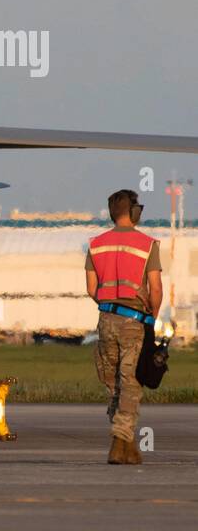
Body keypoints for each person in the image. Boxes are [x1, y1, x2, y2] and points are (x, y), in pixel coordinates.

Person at [85, 189, 163, 465]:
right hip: (134, 320)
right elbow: (156, 289)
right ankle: (119, 444)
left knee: (115, 384)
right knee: (131, 382)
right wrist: (151, 317)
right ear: (133, 212)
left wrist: (110, 304)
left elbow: (91, 289)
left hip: (105, 320)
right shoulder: (147, 244)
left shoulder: (96, 244)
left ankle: (128, 446)